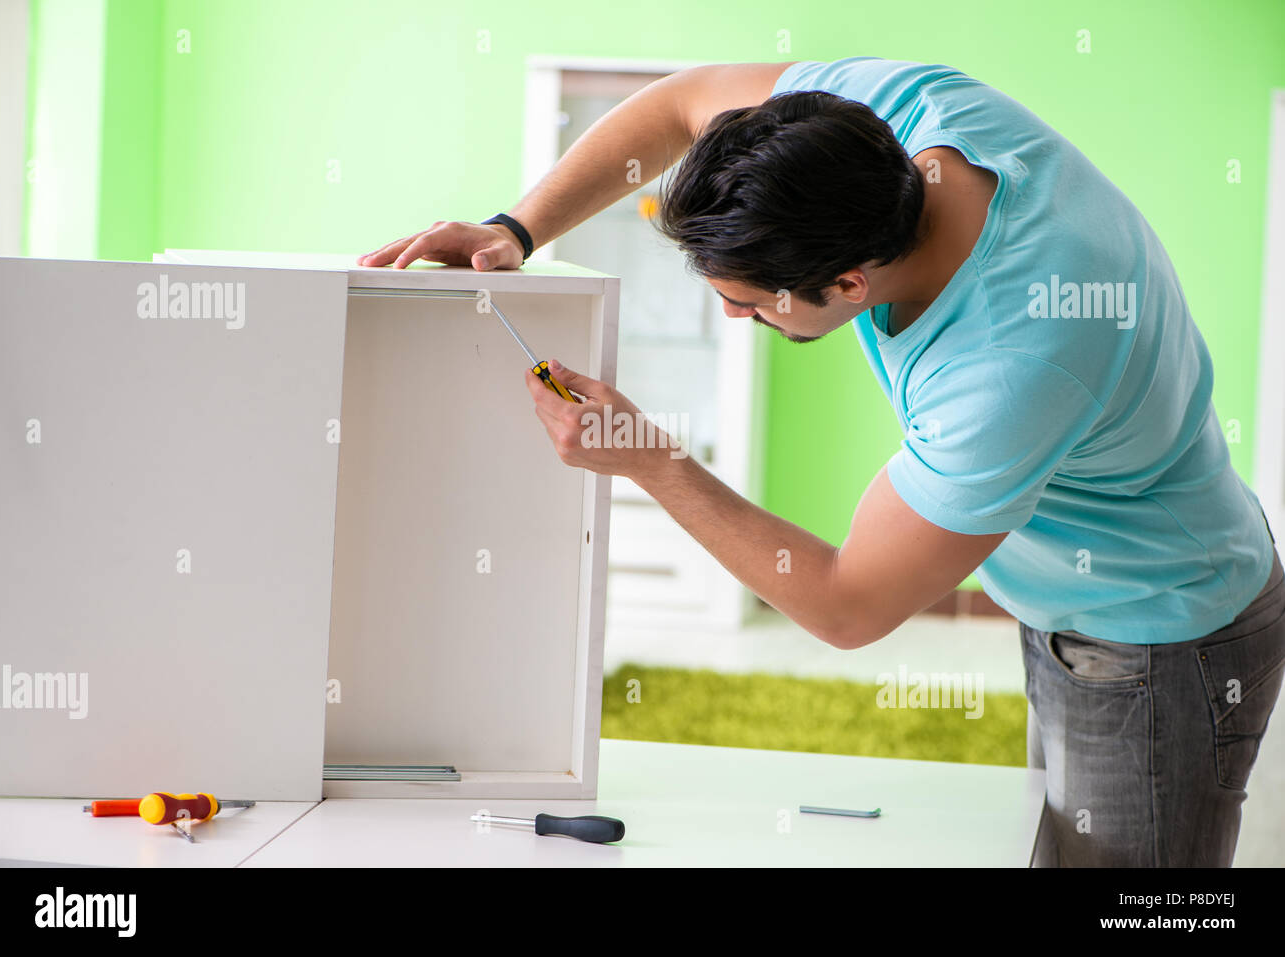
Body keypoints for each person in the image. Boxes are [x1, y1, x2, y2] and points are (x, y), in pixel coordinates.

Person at [359, 57, 1285, 867]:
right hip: (1068, 595)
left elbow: (848, 603)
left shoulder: (1011, 364)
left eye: (750, 303)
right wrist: (517, 229)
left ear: (846, 283)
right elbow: (684, 104)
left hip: (1157, 632)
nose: (732, 318)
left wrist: (647, 458)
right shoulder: (883, 113)